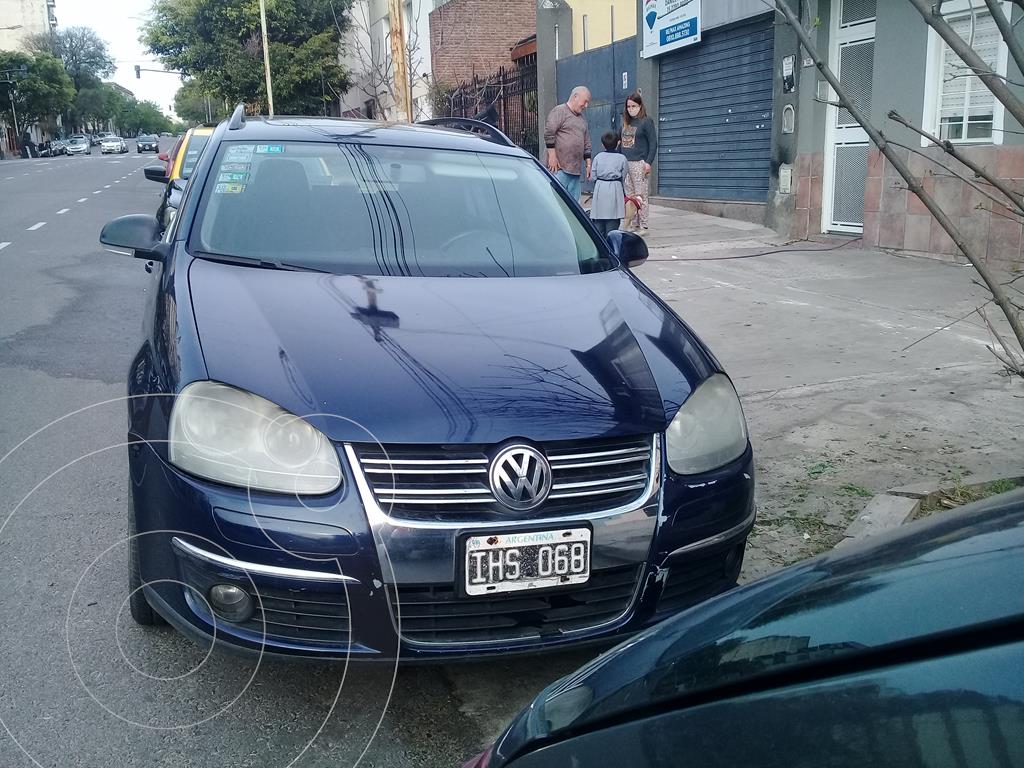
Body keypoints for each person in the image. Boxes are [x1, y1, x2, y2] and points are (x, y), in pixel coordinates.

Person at [544, 86, 592, 200]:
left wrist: (588, 164)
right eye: (585, 102)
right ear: (575, 97)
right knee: (555, 202)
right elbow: (549, 133)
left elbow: (587, 142)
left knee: (574, 207)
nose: (586, 106)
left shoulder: (582, 119)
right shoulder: (559, 111)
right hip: (559, 169)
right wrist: (552, 156)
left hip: (575, 172)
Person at [619, 92, 658, 234]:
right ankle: (633, 223)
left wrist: (648, 162)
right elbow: (619, 139)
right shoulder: (626, 122)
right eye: (628, 106)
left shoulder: (646, 121)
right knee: (630, 196)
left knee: (641, 194)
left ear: (640, 106)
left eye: (633, 106)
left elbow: (653, 143)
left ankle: (643, 225)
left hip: (639, 162)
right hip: (626, 162)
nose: (631, 108)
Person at [590, 131, 628, 239]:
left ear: (602, 145)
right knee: (613, 219)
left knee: (598, 219)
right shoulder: (622, 158)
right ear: (618, 143)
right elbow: (624, 174)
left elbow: (593, 176)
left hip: (600, 187)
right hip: (615, 187)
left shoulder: (598, 157)